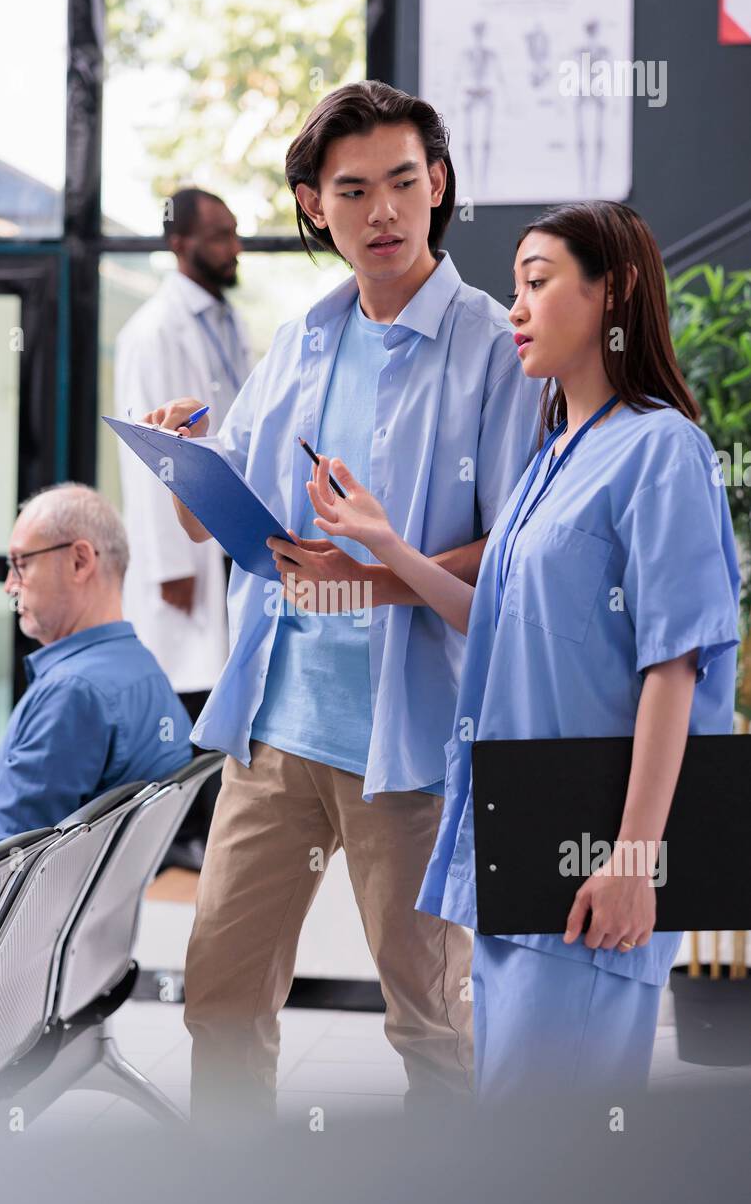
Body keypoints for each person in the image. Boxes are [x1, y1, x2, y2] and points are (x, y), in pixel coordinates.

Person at [144, 80, 542, 1126]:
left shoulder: (494, 346)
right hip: (275, 727)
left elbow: (515, 547)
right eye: (352, 189)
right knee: (220, 999)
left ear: (436, 185)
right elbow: (241, 521)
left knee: (432, 1025)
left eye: (403, 183)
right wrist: (188, 460)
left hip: (404, 743)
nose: (382, 212)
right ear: (314, 205)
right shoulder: (300, 340)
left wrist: (372, 569)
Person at [304, 200, 741, 1100]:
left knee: (558, 1149)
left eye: (538, 283)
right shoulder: (550, 460)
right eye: (514, 288)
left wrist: (633, 860)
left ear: (611, 292)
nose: (516, 308)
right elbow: (494, 622)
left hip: (595, 852)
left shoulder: (665, 451)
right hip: (519, 838)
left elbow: (676, 663)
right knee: (522, 1139)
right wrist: (388, 547)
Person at [0, 484, 193, 900]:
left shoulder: (73, 695)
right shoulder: (142, 671)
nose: (9, 586)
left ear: (80, 560)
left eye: (21, 564)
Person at [115, 187, 252, 868]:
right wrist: (170, 561)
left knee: (213, 681)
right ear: (179, 243)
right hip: (182, 547)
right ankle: (177, 838)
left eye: (234, 233)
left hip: (224, 532)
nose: (233, 247)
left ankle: (200, 830)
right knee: (183, 688)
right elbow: (150, 451)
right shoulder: (155, 330)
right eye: (220, 235)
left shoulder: (225, 321)